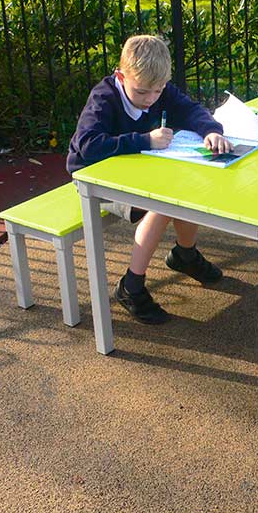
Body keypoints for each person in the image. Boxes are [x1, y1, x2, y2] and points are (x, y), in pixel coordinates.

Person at [67, 34, 232, 324]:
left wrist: (211, 130)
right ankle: (131, 285)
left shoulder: (159, 89)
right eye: (142, 92)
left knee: (188, 186)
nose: (150, 99)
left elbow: (192, 110)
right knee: (163, 202)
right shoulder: (104, 97)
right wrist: (143, 140)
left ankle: (185, 255)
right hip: (97, 180)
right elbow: (88, 145)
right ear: (121, 76)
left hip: (139, 170)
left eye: (157, 91)